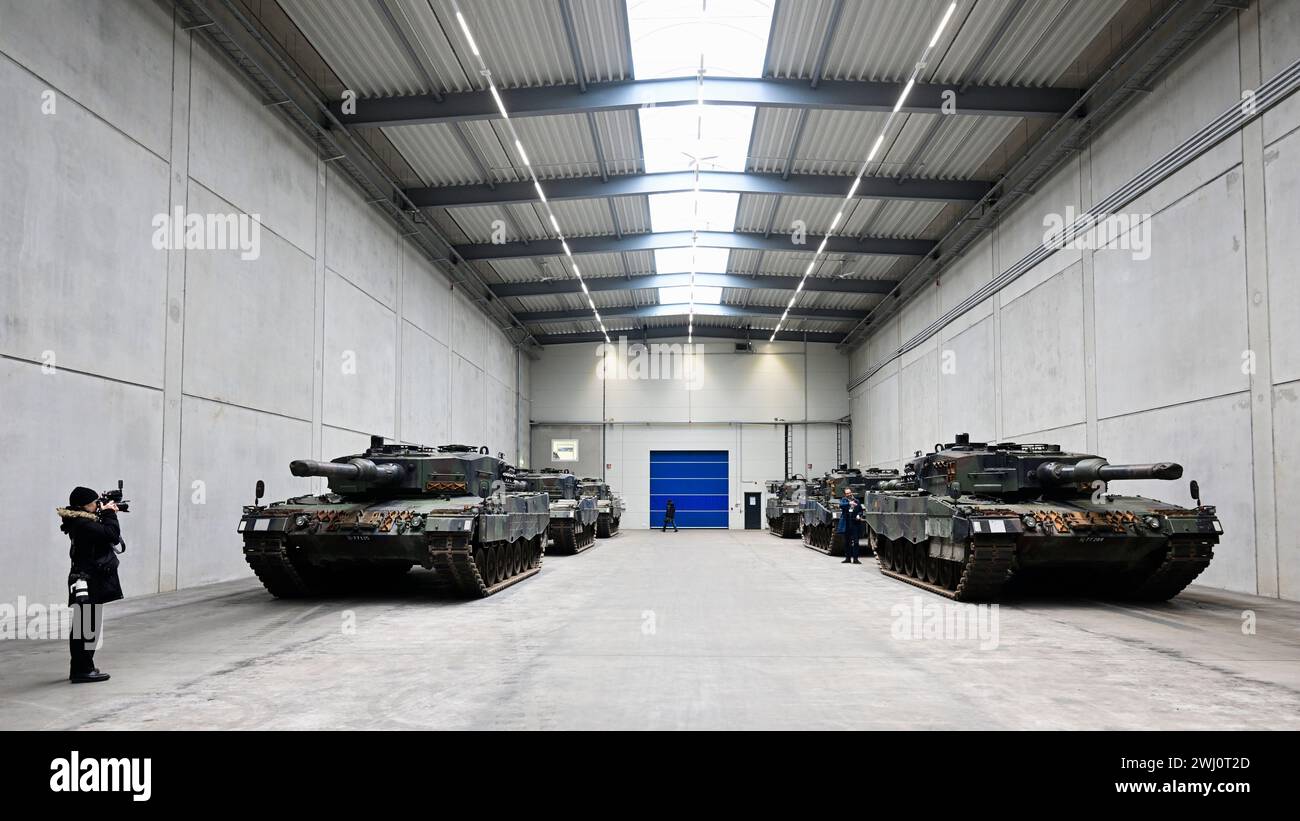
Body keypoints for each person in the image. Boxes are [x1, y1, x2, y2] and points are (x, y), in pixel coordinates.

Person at [57, 486, 124, 683]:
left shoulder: (82, 520)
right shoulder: (83, 524)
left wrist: (104, 513)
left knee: (85, 624)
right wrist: (111, 514)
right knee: (87, 625)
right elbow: (111, 534)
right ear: (86, 506)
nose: (98, 505)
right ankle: (82, 670)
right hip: (88, 579)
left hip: (86, 578)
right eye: (95, 503)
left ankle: (81, 667)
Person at [838, 487, 862, 564]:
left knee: (856, 542)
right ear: (845, 494)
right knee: (847, 542)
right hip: (846, 523)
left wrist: (859, 515)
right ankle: (847, 558)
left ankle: (855, 559)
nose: (849, 494)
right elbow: (841, 505)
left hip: (854, 523)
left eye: (849, 493)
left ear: (851, 493)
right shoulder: (844, 500)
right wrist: (849, 503)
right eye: (847, 493)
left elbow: (860, 510)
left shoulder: (856, 501)